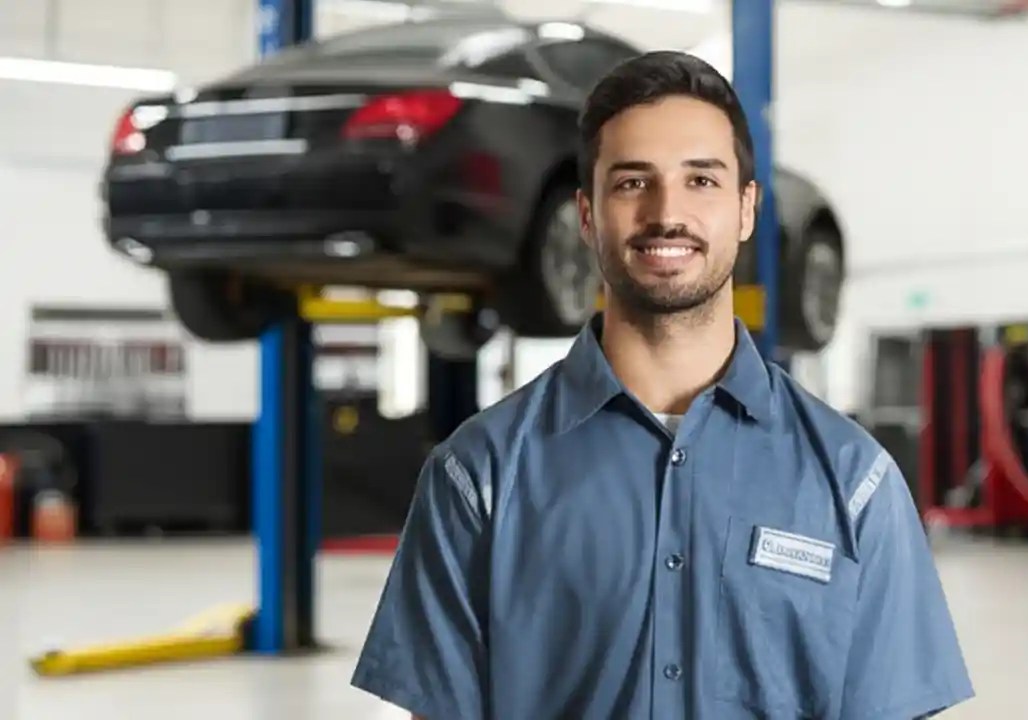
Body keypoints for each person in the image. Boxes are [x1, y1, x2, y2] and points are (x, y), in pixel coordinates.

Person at [351, 50, 974, 720]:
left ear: (745, 209)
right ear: (587, 216)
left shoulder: (855, 484)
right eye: (631, 183)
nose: (666, 212)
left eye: (701, 181)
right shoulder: (478, 478)